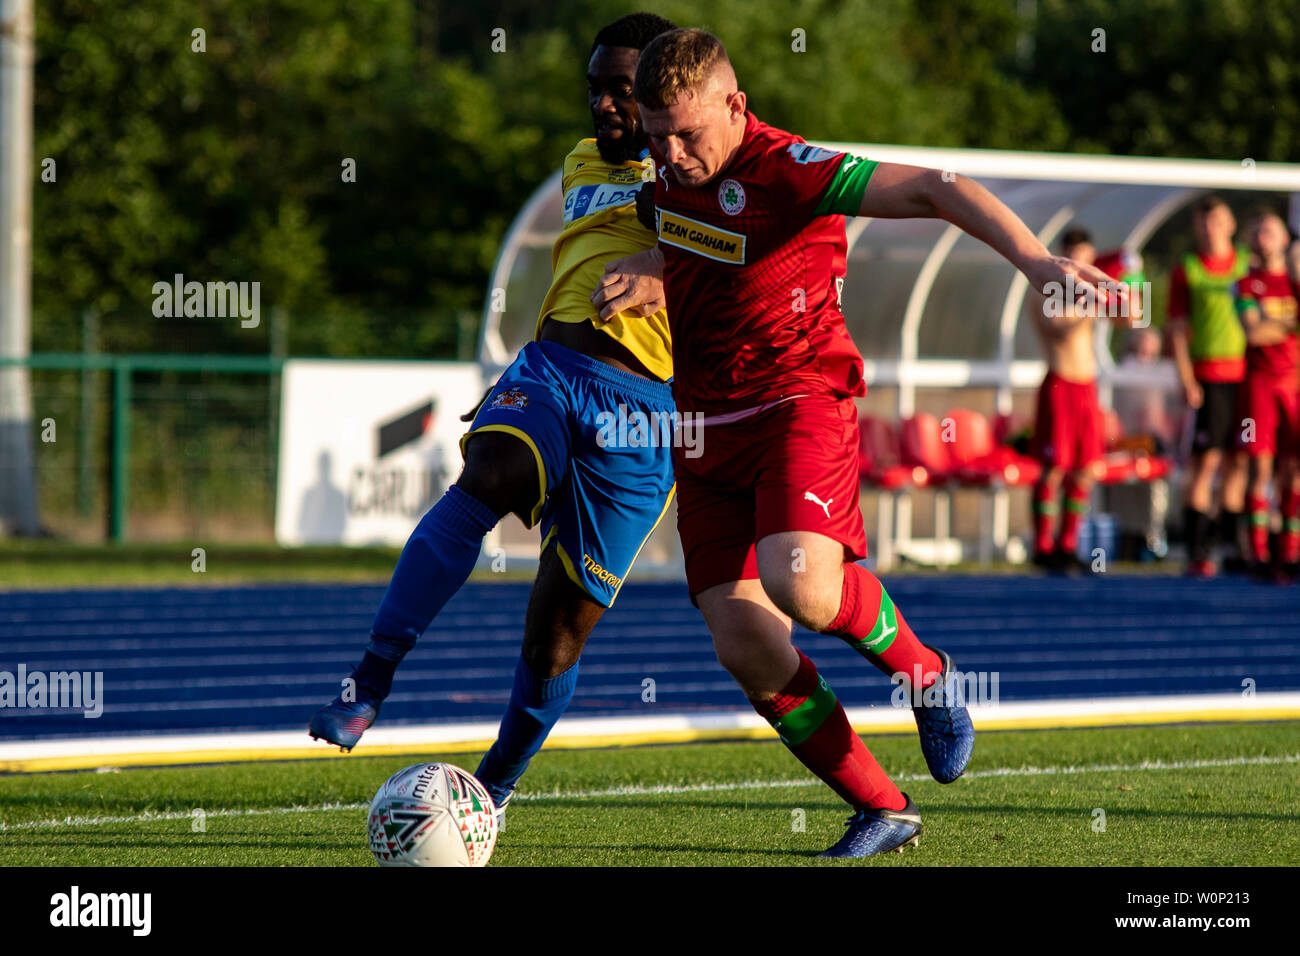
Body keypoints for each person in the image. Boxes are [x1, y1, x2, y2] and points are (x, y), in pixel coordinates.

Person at [593, 28, 1119, 857]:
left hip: (798, 401)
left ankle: (928, 676)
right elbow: (700, 245)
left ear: (735, 105)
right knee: (744, 643)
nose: (672, 154)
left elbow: (939, 188)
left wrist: (1035, 262)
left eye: (687, 135)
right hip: (703, 426)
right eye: (658, 137)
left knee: (801, 585)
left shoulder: (788, 168)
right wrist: (654, 267)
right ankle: (884, 808)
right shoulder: (665, 175)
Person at [308, 13, 679, 827]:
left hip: (645, 415)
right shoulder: (581, 162)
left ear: (662, 95)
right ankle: (369, 681)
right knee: (488, 474)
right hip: (552, 369)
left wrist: (665, 258)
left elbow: (737, 253)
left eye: (622, 90)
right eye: (595, 88)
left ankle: (493, 791)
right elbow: (588, 260)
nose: (604, 105)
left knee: (556, 634)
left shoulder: (701, 169)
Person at [1029, 226, 1141, 570]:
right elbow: (1059, 326)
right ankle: (1043, 546)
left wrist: (1130, 282)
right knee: (1054, 468)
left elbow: (1130, 319)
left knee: (1085, 469)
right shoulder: (1043, 287)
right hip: (1059, 385)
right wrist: (1094, 295)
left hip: (1086, 388)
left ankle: (1067, 545)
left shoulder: (1087, 294)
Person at [1168, 196, 1251, 575]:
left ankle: (1231, 545)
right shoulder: (1187, 270)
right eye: (1203, 222)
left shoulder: (1248, 265)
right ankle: (1197, 549)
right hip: (1208, 378)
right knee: (1206, 461)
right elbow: (1176, 330)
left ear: (1230, 224)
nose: (1209, 228)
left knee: (1241, 459)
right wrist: (1187, 378)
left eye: (1216, 221)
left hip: (1248, 378)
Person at [1232, 207, 1300, 579]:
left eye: (1270, 231)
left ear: (1285, 239)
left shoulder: (1294, 282)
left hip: (1294, 384)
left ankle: (1289, 553)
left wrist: (1272, 322)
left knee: (1293, 469)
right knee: (1258, 466)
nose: (1263, 239)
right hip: (1259, 386)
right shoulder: (1246, 283)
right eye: (1257, 232)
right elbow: (1253, 333)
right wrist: (1290, 322)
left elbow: (1264, 326)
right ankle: (1256, 553)